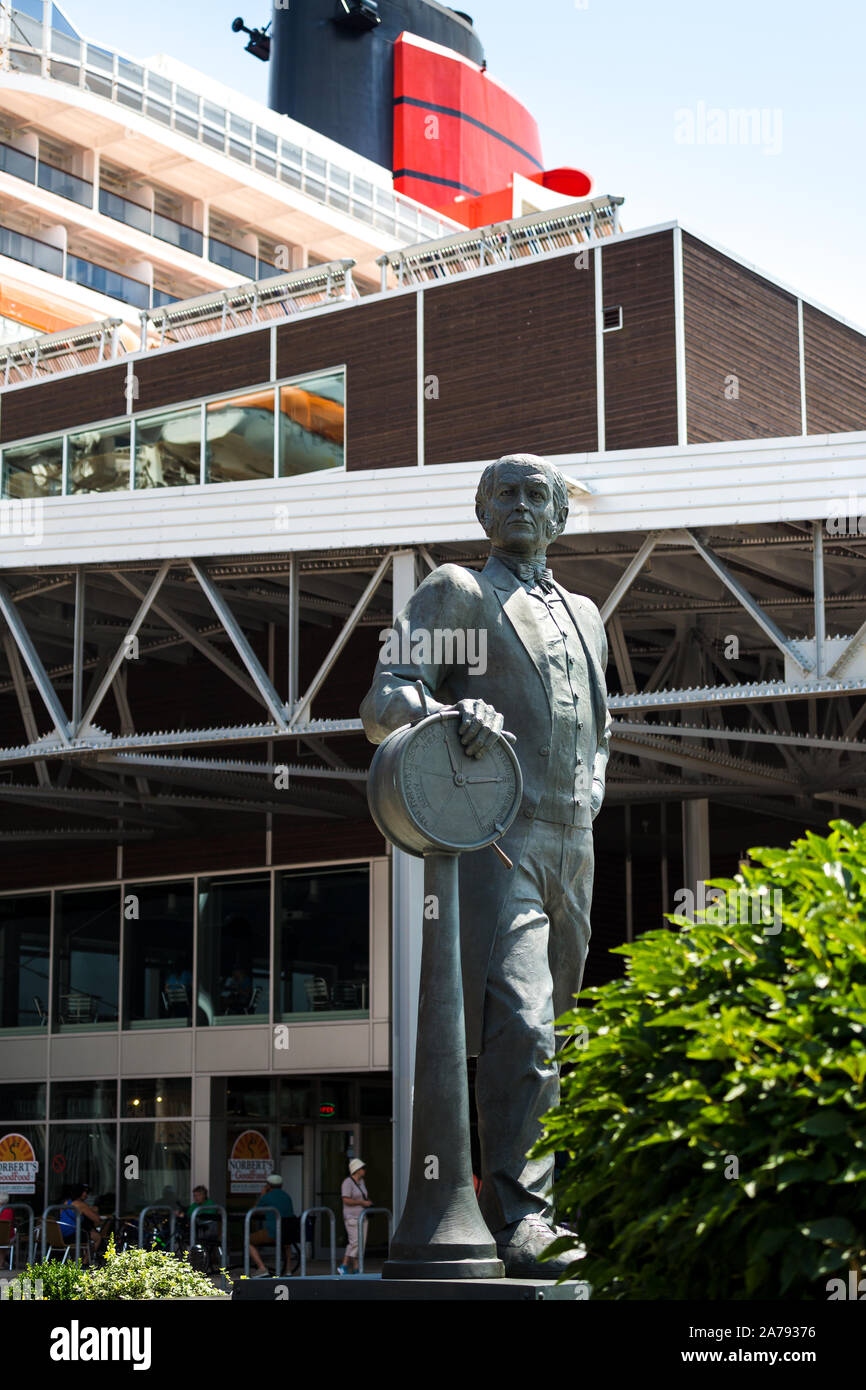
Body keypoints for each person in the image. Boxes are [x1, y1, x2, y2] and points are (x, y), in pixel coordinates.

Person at [361, 453, 611, 1278]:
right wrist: (445, 708)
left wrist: (589, 803)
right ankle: (528, 1218)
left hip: (572, 844)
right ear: (481, 511)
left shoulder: (586, 613)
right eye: (503, 493)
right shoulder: (457, 590)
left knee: (556, 1041)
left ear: (561, 517)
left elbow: (599, 734)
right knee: (526, 1025)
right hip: (502, 836)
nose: (520, 505)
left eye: (537, 494)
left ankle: (534, 1210)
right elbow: (384, 698)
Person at [248, 1173, 296, 1277]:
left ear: (268, 1186)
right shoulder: (287, 1196)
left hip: (273, 1233)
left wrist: (262, 1195)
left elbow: (254, 1211)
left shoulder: (267, 1197)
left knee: (247, 1240)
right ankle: (288, 1270)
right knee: (287, 1243)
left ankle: (262, 1268)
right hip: (288, 1232)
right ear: (281, 1185)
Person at [338, 1158, 370, 1275]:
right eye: (362, 1168)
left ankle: (356, 1267)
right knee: (355, 1242)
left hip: (362, 1215)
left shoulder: (362, 1182)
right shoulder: (347, 1182)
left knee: (360, 1243)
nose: (364, 1170)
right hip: (352, 1216)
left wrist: (366, 1203)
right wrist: (362, 1203)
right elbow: (346, 1199)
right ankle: (345, 1264)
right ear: (356, 1170)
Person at [58, 1181, 105, 1261]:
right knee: (97, 1237)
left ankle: (74, 1261)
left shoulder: (66, 1202)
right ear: (79, 1193)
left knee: (85, 1233)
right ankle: (85, 1262)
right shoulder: (81, 1205)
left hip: (60, 1235)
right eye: (85, 1192)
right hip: (72, 1236)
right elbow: (96, 1219)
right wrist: (95, 1210)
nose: (86, 1195)